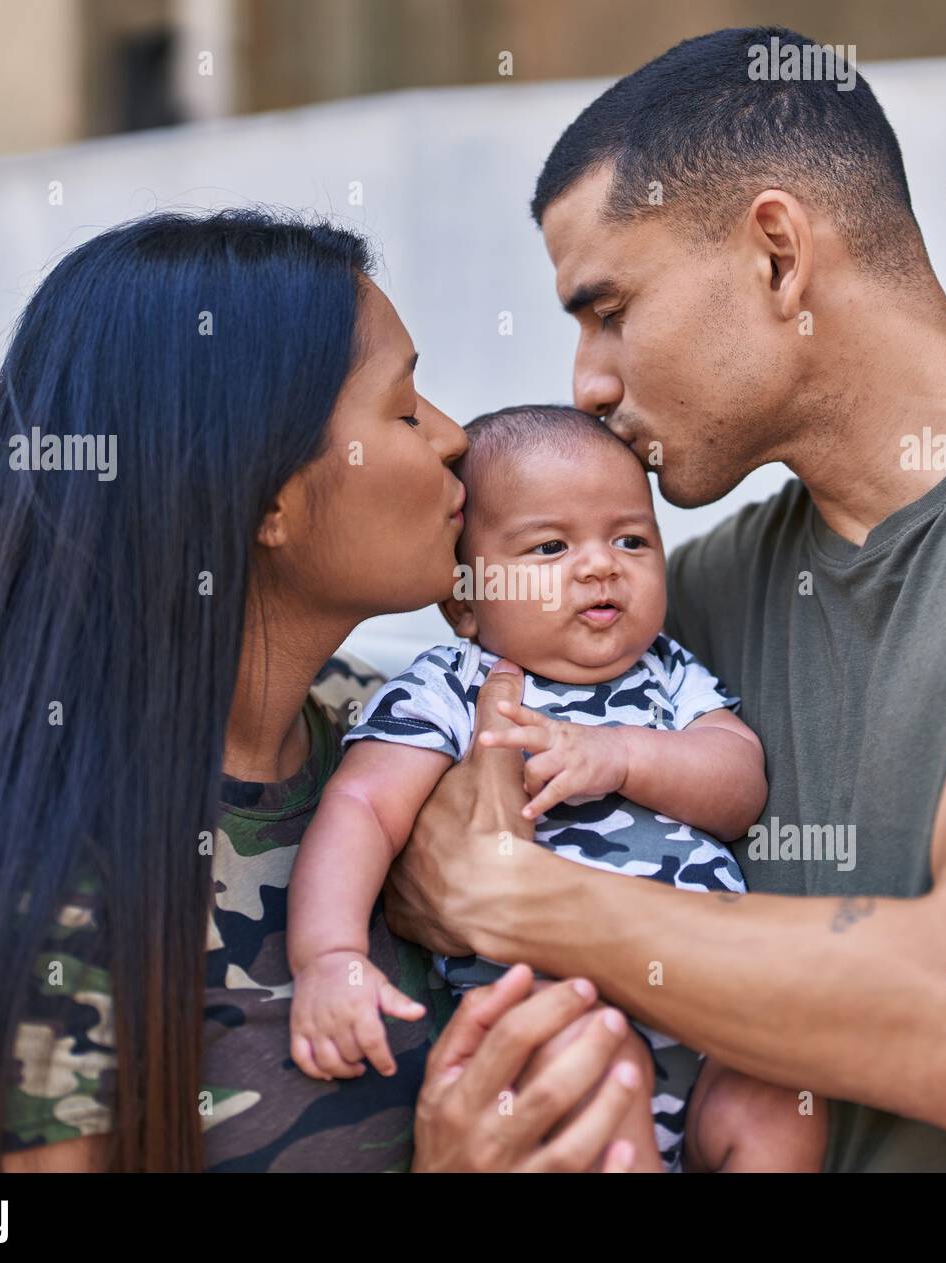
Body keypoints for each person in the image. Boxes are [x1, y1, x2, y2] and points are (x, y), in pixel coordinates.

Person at [384, 27, 946, 1173]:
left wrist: (507, 897)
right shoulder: (672, 604)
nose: (587, 385)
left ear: (778, 256)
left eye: (608, 311)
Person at [0, 209, 643, 1173]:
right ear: (267, 495)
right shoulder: (21, 922)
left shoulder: (389, 722)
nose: (451, 440)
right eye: (403, 410)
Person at [287, 404, 825, 1171]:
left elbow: (739, 780)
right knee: (602, 1077)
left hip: (706, 1002)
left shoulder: (668, 672)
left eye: (631, 539)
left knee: (780, 1094)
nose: (601, 565)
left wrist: (623, 755)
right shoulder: (451, 685)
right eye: (550, 546)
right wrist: (330, 953)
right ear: (465, 601)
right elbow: (362, 807)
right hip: (549, 1016)